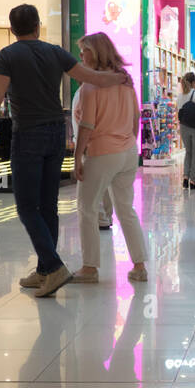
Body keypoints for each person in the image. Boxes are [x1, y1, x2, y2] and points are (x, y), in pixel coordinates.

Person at [0, 4, 129, 298]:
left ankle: (54, 266)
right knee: (47, 205)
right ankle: (45, 269)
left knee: (27, 207)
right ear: (38, 26)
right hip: (57, 132)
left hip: (28, 134)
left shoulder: (8, 56)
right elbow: (91, 77)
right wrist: (119, 78)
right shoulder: (55, 52)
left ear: (12, 29)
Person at [72, 32, 148, 284]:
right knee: (126, 209)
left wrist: (77, 158)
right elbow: (136, 118)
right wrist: (129, 142)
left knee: (87, 207)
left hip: (102, 152)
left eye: (84, 51)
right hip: (127, 152)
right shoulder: (126, 82)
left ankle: (90, 267)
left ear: (95, 53)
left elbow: (87, 125)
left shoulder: (90, 86)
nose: (81, 56)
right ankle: (139, 265)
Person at [71, 81, 114, 228]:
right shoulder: (95, 92)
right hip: (101, 144)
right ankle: (106, 216)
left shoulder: (84, 93)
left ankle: (102, 218)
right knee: (104, 183)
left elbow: (83, 123)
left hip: (89, 146)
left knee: (93, 185)